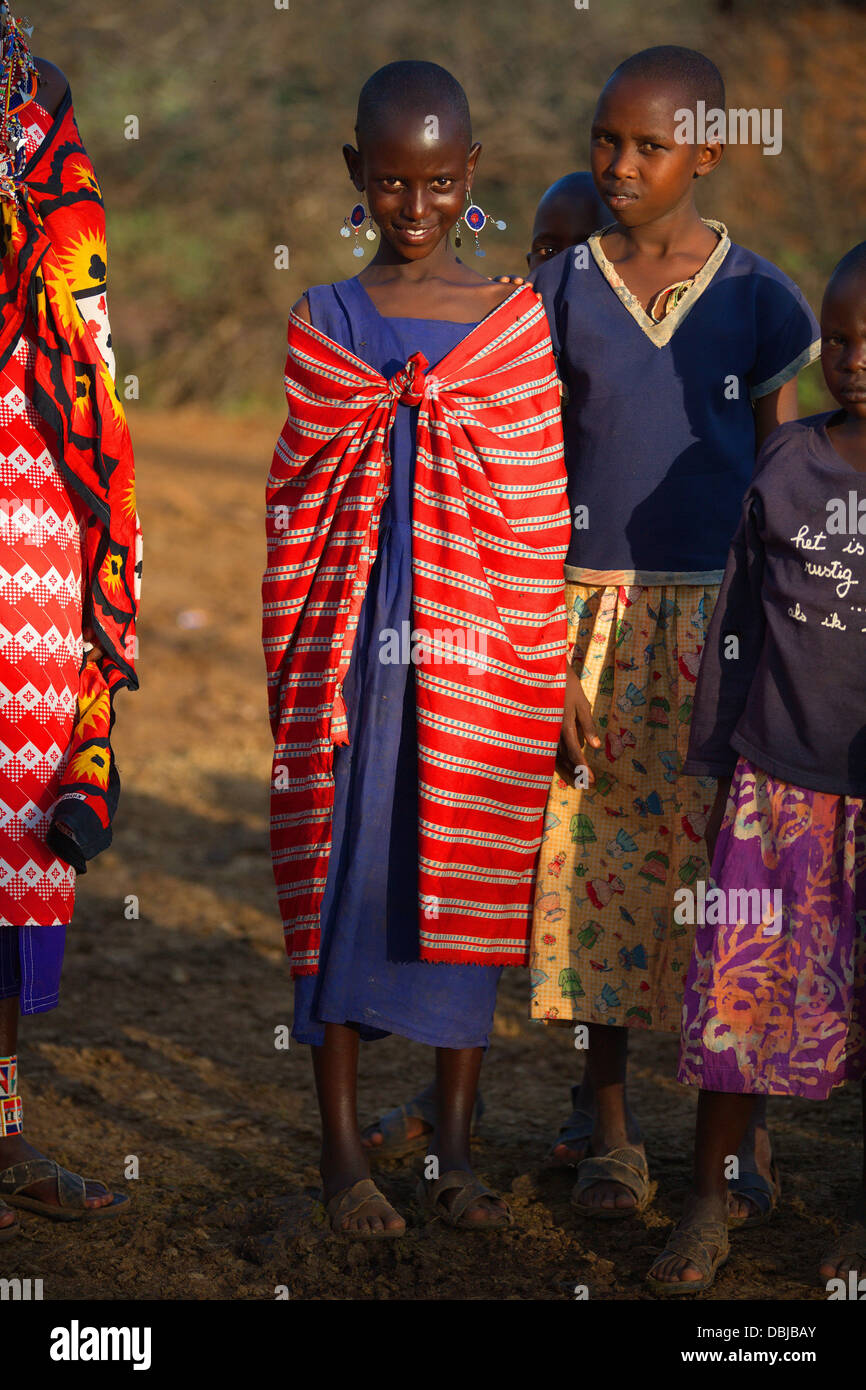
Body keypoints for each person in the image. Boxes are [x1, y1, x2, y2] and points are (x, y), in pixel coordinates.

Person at [263, 60, 570, 1237]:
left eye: (438, 183)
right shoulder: (324, 324)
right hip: (346, 661)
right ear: (356, 174)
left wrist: (540, 668)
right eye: (391, 181)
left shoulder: (511, 326)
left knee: (462, 884)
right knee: (344, 878)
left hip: (473, 662)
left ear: (471, 177)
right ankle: (344, 1159)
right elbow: (295, 506)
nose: (415, 205)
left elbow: (536, 515)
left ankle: (454, 1158)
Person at [528, 45, 819, 1219]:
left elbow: (787, 477)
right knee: (594, 863)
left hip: (722, 623)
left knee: (724, 873)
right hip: (588, 619)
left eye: (649, 146)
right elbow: (531, 468)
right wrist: (545, 647)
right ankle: (604, 1117)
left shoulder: (760, 300)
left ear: (705, 151)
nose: (621, 164)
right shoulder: (558, 290)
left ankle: (733, 1133)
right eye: (606, 140)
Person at [648, 242, 866, 1293]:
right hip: (776, 788)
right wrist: (714, 765)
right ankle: (709, 1194)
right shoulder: (787, 464)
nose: (853, 358)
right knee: (734, 1011)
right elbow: (737, 619)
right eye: (838, 337)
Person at [0, 5, 139, 1237]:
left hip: (28, 515)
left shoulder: (38, 97)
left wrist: (104, 547)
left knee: (9, 841)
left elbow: (78, 322)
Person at [526, 172, 608, 272]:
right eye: (549, 251)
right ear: (530, 263)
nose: (564, 264)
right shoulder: (521, 286)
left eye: (585, 252)